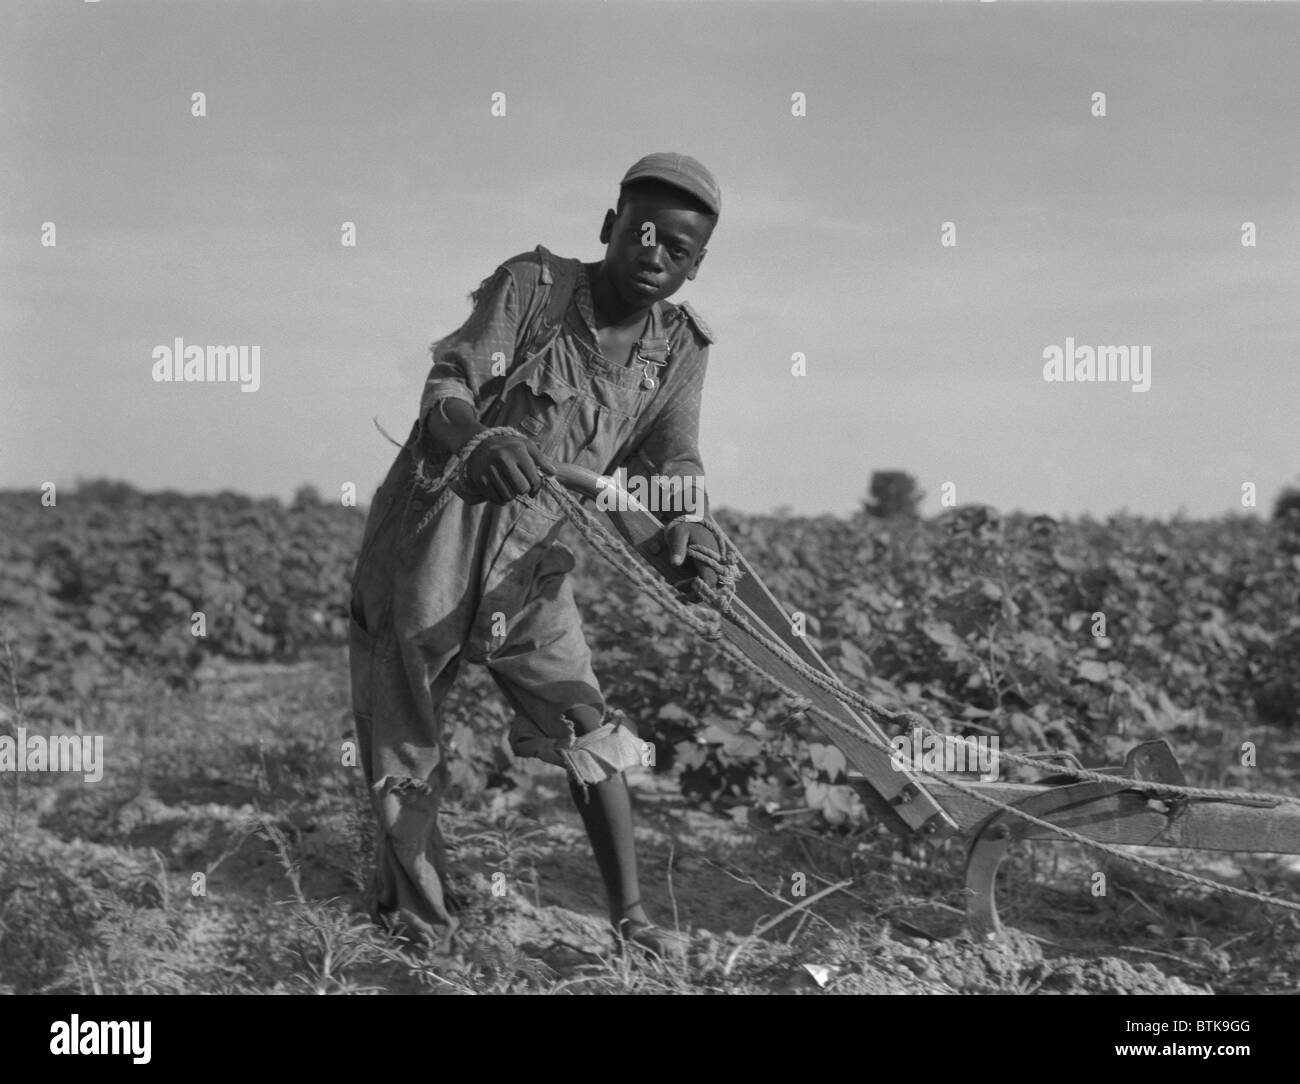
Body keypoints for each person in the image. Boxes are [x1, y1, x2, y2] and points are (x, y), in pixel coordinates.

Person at [348, 153, 724, 957]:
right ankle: (419, 928)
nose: (656, 254)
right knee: (404, 726)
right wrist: (479, 436)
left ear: (697, 265)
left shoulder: (680, 348)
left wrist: (688, 522)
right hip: (438, 527)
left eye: (680, 249)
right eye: (643, 232)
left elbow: (671, 461)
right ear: (611, 226)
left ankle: (632, 921)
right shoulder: (534, 287)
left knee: (587, 725)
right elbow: (447, 388)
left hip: (535, 557)